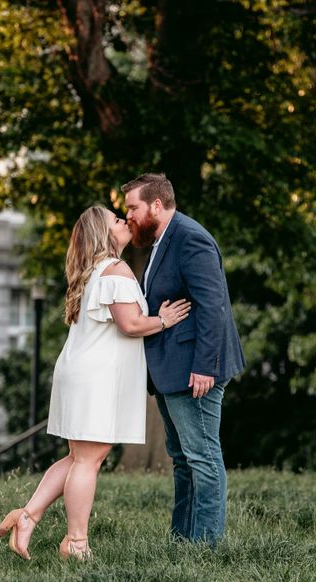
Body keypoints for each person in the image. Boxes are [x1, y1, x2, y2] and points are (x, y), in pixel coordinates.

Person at [0, 205, 191, 560]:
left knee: (78, 457)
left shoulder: (93, 272)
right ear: (104, 234)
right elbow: (130, 324)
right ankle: (76, 542)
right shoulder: (116, 269)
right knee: (88, 461)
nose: (124, 220)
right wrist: (162, 320)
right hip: (95, 378)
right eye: (116, 220)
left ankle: (27, 517)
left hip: (81, 372)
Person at [121, 173, 245, 546]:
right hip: (171, 371)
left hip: (195, 371)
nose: (128, 215)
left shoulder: (190, 238)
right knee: (182, 459)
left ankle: (206, 547)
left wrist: (205, 366)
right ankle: (183, 542)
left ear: (156, 205)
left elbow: (213, 305)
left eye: (133, 207)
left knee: (202, 457)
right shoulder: (161, 240)